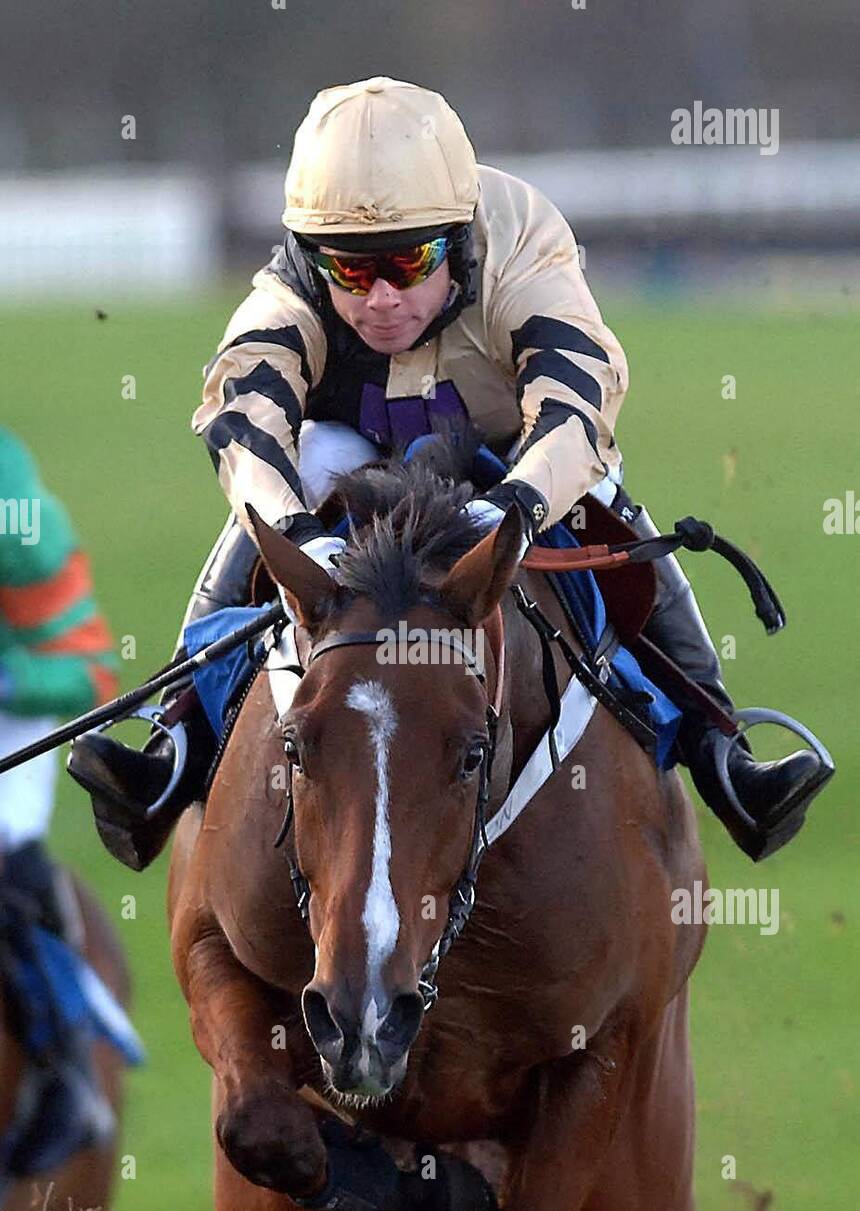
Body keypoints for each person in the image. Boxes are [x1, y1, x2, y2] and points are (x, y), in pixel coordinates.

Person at [68, 76, 830, 869]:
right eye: (352, 272)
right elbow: (239, 411)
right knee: (271, 504)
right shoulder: (294, 284)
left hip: (505, 452)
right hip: (353, 452)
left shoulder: (524, 244)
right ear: (310, 254)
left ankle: (723, 754)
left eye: (408, 260)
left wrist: (514, 510)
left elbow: (576, 409)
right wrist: (297, 534)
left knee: (603, 499)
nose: (383, 298)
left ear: (460, 240)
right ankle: (173, 743)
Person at [0, 427, 119, 932]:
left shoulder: (11, 504)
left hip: (9, 721)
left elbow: (89, 672)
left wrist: (10, 682)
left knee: (16, 882)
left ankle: (69, 1003)